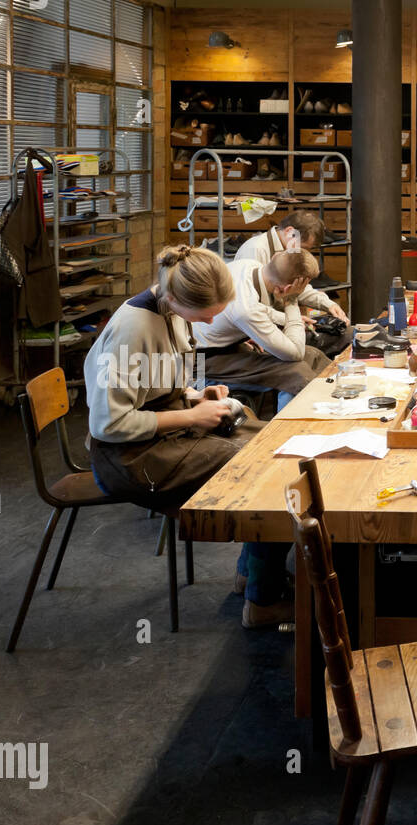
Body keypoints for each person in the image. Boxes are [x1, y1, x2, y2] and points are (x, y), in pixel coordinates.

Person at [86, 244, 293, 628]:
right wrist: (191, 415)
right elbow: (108, 425)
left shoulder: (172, 312)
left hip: (163, 430)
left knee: (274, 442)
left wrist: (198, 397)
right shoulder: (132, 329)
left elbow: (159, 386)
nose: (210, 321)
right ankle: (263, 601)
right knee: (269, 468)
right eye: (205, 316)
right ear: (174, 297)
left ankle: (254, 572)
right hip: (129, 459)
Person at [192, 250, 331, 410]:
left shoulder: (250, 266)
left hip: (225, 346)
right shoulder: (246, 309)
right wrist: (291, 300)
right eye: (300, 288)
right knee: (296, 373)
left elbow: (256, 307)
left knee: (313, 355)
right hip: (202, 361)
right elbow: (295, 353)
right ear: (287, 288)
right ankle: (285, 431)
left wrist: (287, 319)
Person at [234, 210, 348, 322]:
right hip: (252, 326)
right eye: (304, 247)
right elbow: (249, 307)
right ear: (290, 232)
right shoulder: (256, 249)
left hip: (272, 319)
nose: (305, 252)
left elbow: (298, 287)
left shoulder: (290, 251)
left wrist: (328, 304)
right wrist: (289, 320)